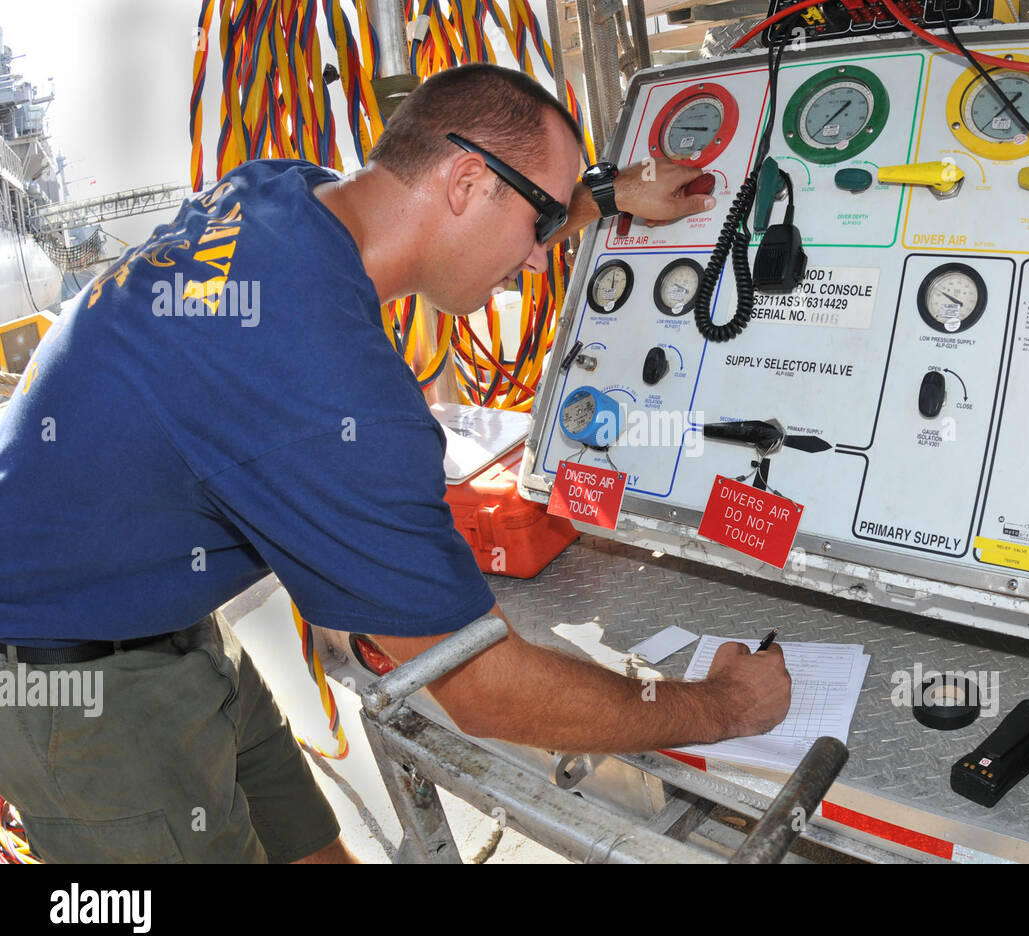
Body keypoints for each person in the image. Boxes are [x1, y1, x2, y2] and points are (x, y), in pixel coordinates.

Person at [0, 63, 792, 864]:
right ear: (467, 180)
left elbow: (430, 222)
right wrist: (722, 704)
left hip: (160, 616)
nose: (535, 260)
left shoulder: (279, 193)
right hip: (70, 682)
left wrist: (601, 197)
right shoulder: (326, 386)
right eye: (539, 223)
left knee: (311, 849)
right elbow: (482, 686)